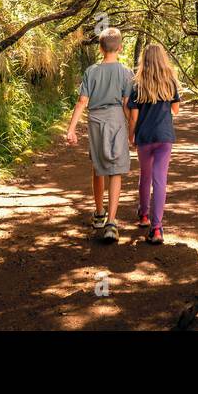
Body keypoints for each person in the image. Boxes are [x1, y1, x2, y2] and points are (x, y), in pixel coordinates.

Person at [65, 27, 133, 243]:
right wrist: (132, 130)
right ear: (120, 48)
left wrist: (71, 128)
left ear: (100, 48)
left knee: (98, 166)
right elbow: (126, 105)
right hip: (116, 120)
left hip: (95, 120)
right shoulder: (126, 73)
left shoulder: (91, 71)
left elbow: (82, 102)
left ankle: (99, 213)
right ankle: (112, 222)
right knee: (116, 170)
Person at [128, 43, 182, 245]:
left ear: (144, 60)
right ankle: (157, 229)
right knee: (160, 180)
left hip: (144, 137)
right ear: (163, 59)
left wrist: (131, 136)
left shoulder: (137, 84)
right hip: (165, 137)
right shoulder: (170, 82)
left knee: (145, 176)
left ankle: (143, 216)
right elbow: (175, 110)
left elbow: (133, 116)